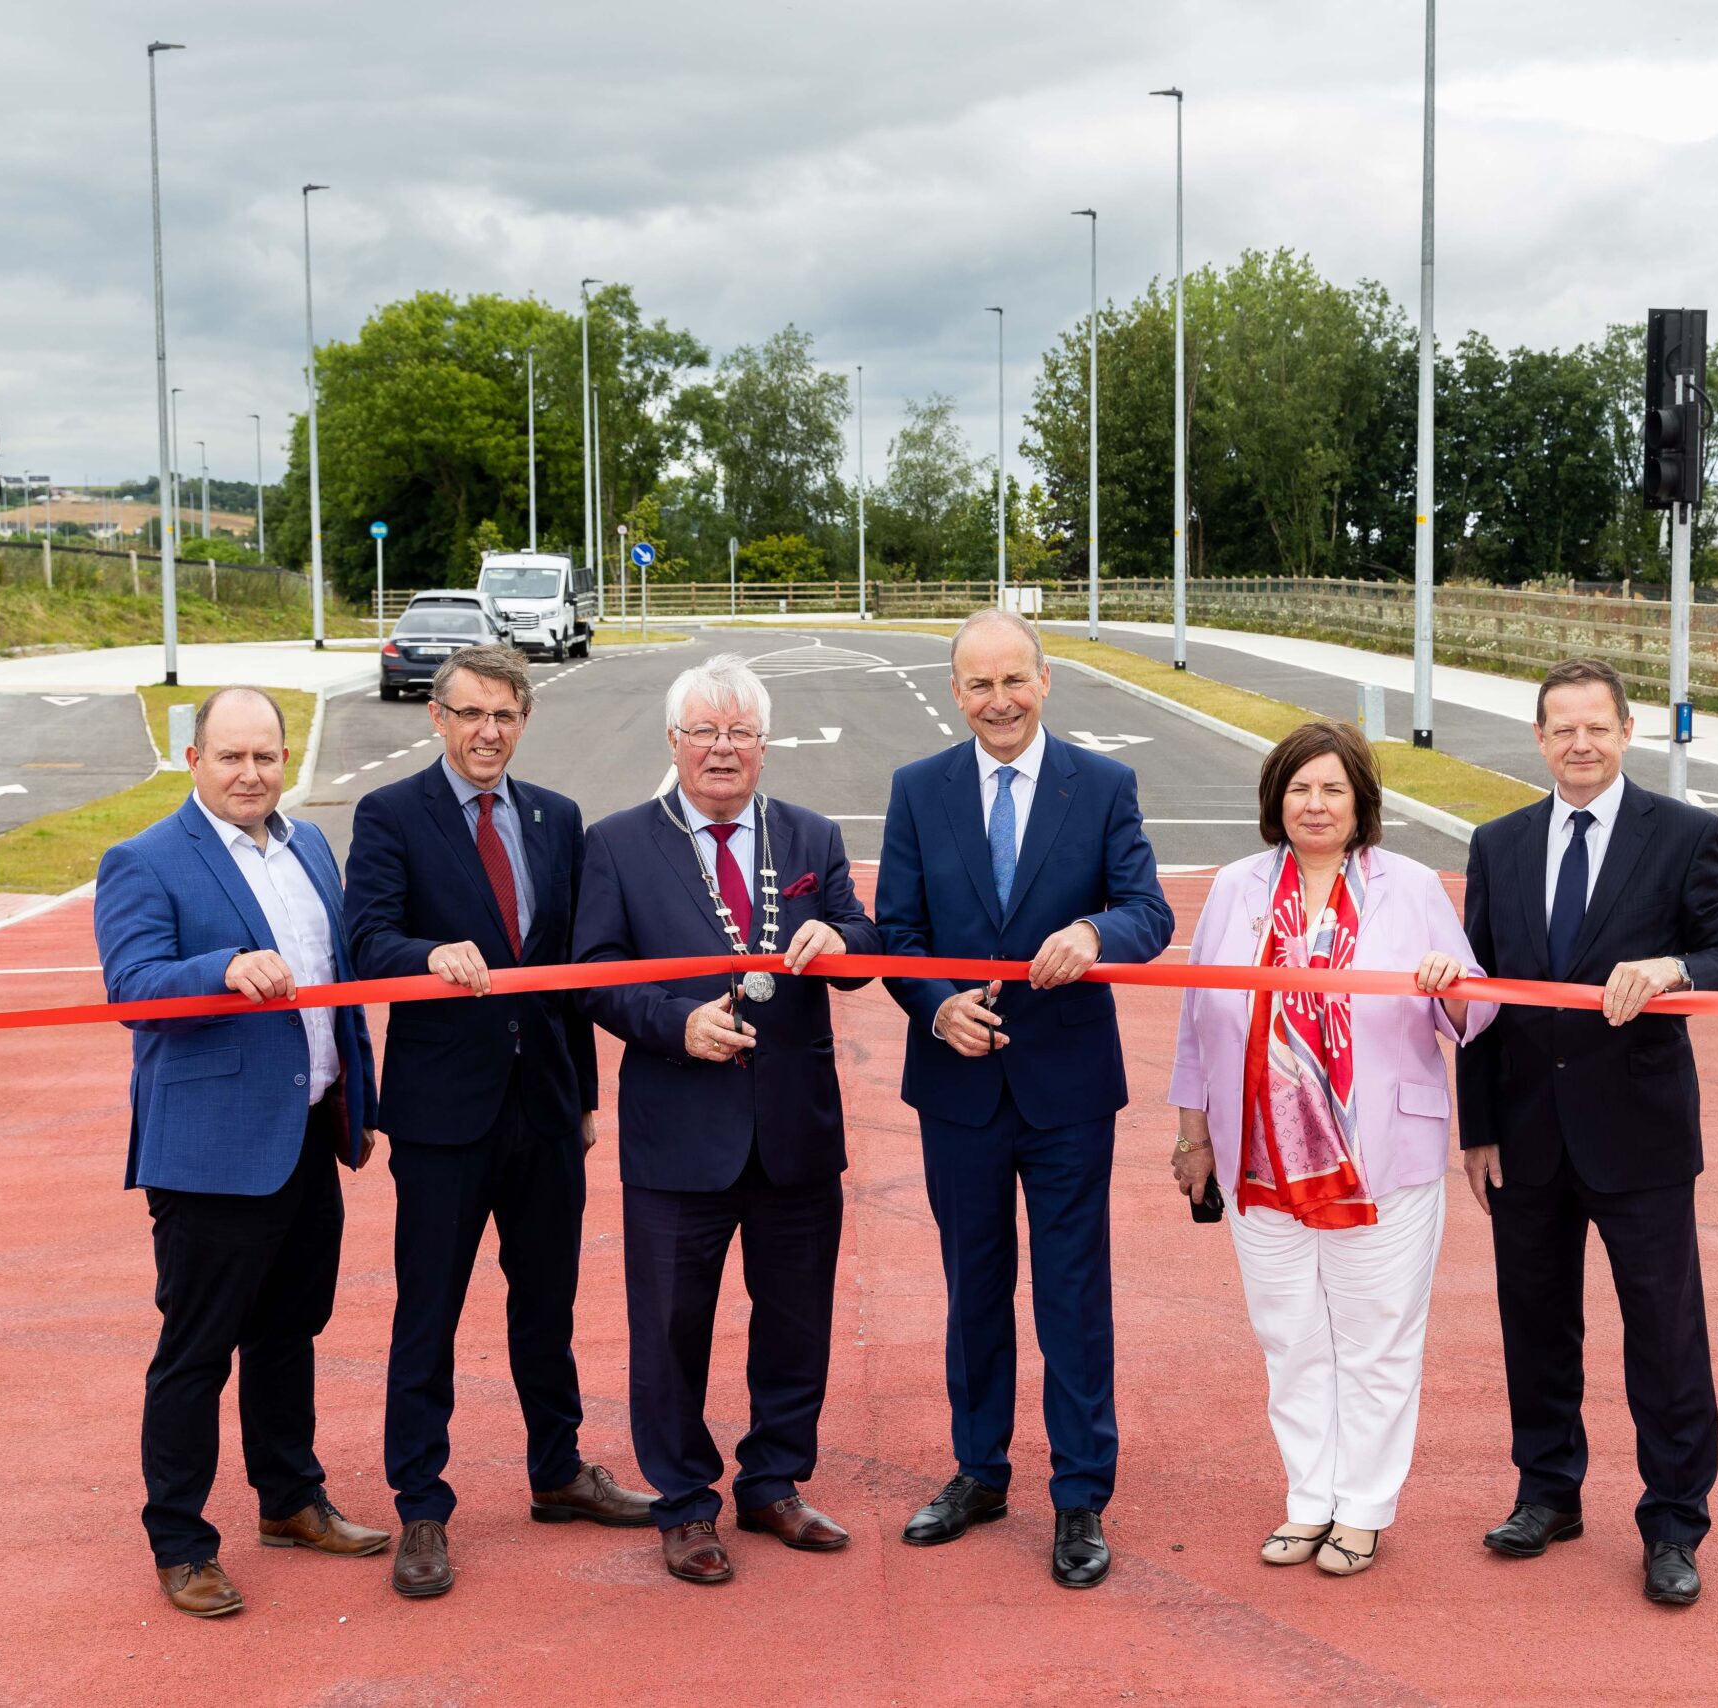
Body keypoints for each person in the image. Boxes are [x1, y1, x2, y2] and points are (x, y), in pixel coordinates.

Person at [343, 644, 652, 1601]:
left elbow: (571, 971)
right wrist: (431, 953)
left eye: (505, 717)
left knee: (546, 1302)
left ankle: (556, 1471)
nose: (488, 733)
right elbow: (365, 941)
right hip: (444, 1114)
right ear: (436, 717)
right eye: (471, 714)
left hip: (548, 1109)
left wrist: (589, 1100)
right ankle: (423, 1507)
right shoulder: (390, 815)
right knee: (427, 1313)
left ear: (523, 723)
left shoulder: (557, 819)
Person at [875, 609, 1176, 1589]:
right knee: (973, 1286)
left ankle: (1080, 1491)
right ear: (957, 693)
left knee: (1073, 1291)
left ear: (1044, 682)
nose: (997, 700)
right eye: (978, 684)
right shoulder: (918, 790)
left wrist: (1093, 934)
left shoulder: (1104, 785)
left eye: (1014, 680)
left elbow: (1148, 911)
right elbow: (897, 933)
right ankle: (979, 1469)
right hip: (958, 1083)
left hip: (1067, 1087)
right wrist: (934, 1006)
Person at [572, 655, 884, 1586]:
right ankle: (685, 1503)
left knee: (796, 1321)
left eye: (740, 732)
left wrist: (841, 940)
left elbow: (867, 946)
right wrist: (676, 1024)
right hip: (677, 1133)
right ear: (673, 743)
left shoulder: (812, 834)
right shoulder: (620, 843)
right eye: (704, 732)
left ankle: (774, 1481)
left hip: (794, 1130)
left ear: (763, 743)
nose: (722, 748)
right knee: (671, 1329)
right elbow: (591, 970)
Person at [1458, 657, 1718, 1608]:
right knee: (1535, 1326)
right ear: (1539, 740)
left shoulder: (1685, 835)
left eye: (1597, 726)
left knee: (1664, 1336)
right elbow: (1478, 996)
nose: (1579, 743)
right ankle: (1548, 1492)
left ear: (1628, 732)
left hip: (1640, 1137)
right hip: (1526, 1137)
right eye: (1561, 728)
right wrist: (1479, 1126)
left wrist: (1671, 967)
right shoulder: (1497, 844)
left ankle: (1674, 1521)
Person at [1168, 720, 1495, 1577]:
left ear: (1362, 804)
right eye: (1299, 788)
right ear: (1277, 798)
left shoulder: (1414, 886)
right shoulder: (1238, 887)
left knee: (1377, 1337)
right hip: (1258, 1159)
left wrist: (1449, 988)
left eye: (1333, 790)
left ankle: (1364, 1507)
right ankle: (1308, 1498)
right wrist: (1191, 1131)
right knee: (1290, 1335)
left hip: (1382, 1157)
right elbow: (1199, 1020)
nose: (1315, 805)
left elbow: (1477, 1015)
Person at [93, 686, 389, 1619]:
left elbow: (337, 986)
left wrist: (357, 1100)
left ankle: (290, 1500)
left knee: (290, 1329)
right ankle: (181, 1542)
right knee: (195, 1352)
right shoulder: (144, 860)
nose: (250, 774)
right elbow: (133, 988)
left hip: (307, 1133)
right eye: (231, 757)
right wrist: (216, 970)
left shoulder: (310, 848)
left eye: (265, 757)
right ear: (194, 759)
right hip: (211, 1152)